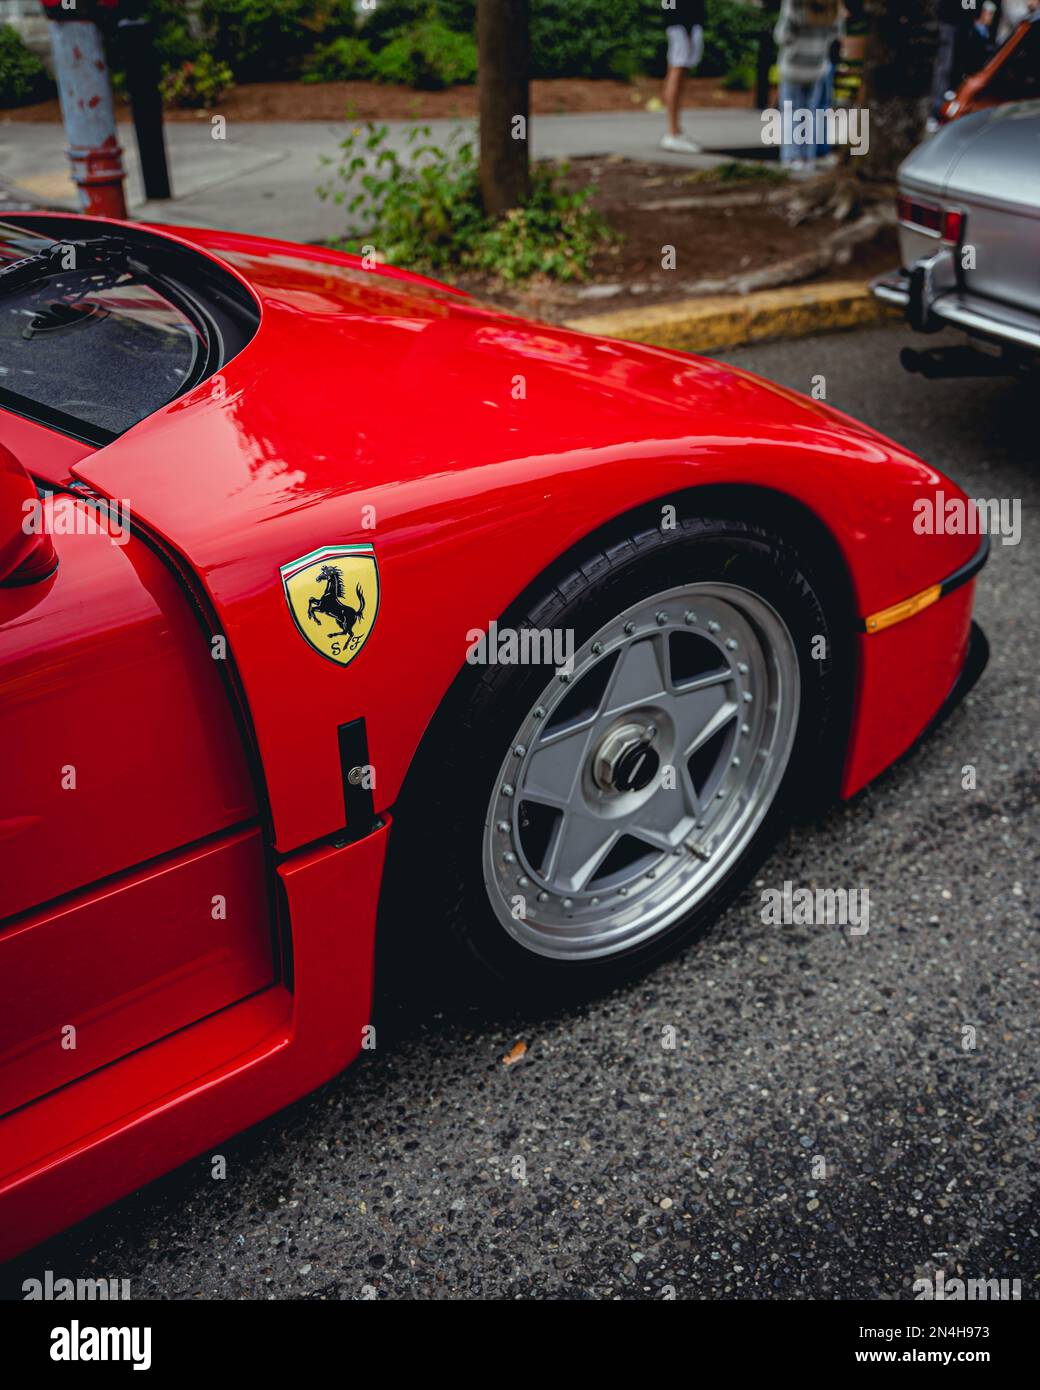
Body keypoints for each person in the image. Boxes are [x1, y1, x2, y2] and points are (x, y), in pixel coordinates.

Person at [773, 0, 842, 173]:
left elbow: (783, 35)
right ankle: (808, 158)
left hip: (793, 66)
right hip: (817, 67)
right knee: (811, 115)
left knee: (791, 113)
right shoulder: (832, 6)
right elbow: (835, 34)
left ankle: (791, 157)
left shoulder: (794, 4)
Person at [661, 0, 707, 154]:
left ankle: (675, 131)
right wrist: (678, 20)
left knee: (678, 69)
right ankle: (672, 132)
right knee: (678, 68)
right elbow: (668, 4)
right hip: (681, 22)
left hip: (682, 21)